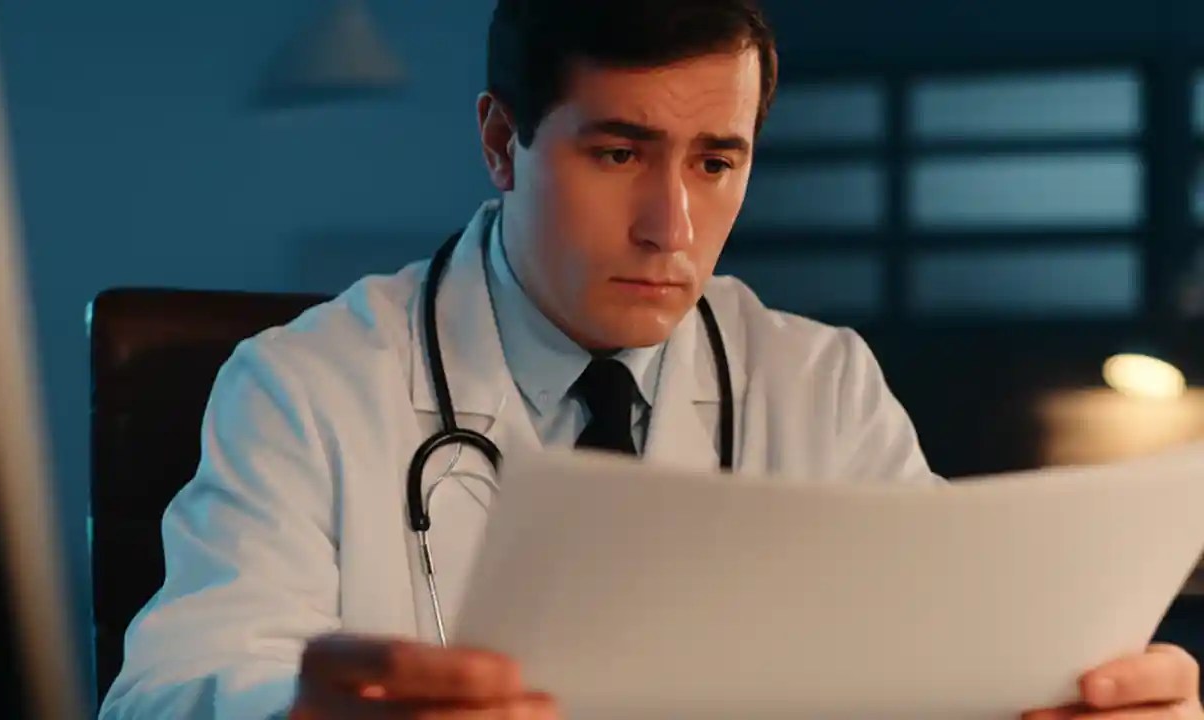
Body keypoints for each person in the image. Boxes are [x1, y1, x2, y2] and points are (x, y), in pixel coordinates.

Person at [99, 1, 1203, 718]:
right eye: (618, 152)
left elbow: (951, 668)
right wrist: (293, 712)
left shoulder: (816, 385)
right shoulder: (305, 385)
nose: (670, 226)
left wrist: (1087, 698)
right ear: (499, 142)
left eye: (716, 162)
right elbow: (162, 693)